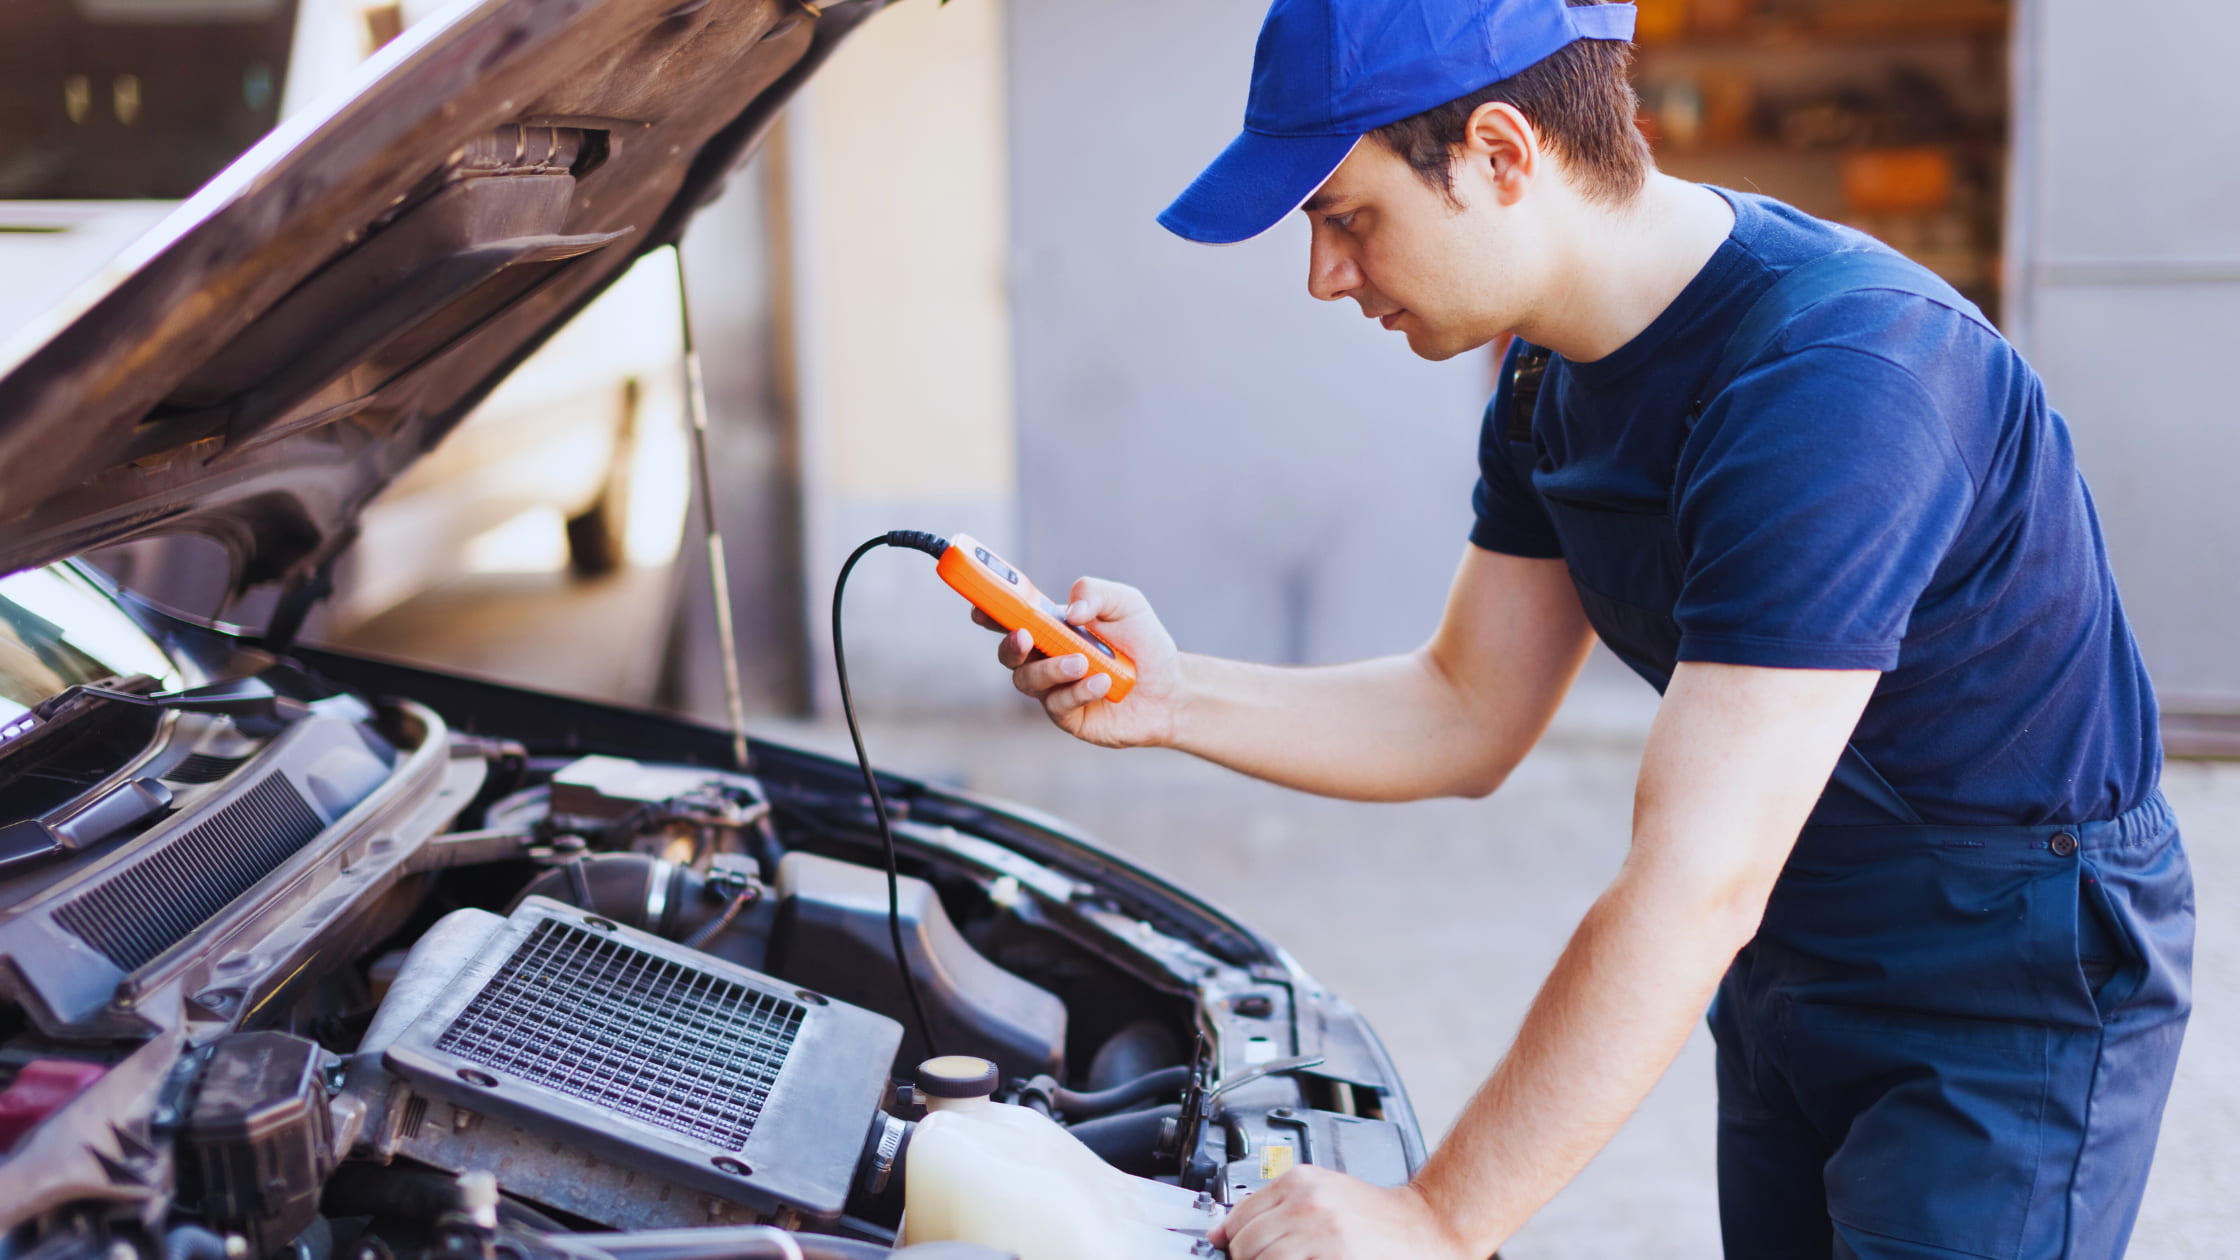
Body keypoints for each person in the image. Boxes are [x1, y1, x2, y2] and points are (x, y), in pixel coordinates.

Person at [979, 0, 2196, 1256]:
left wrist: (1438, 1219)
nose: (1324, 274)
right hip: (1792, 949)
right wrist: (1174, 697)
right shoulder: (1547, 378)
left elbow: (1695, 877)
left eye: (1346, 218)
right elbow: (1464, 708)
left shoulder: (1840, 379)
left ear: (1500, 156)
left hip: (1999, 990)